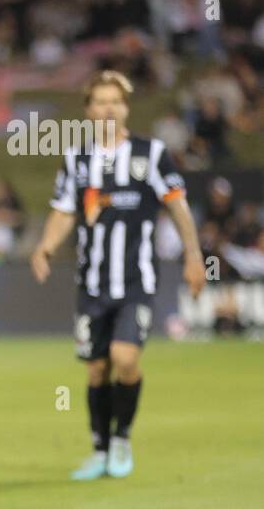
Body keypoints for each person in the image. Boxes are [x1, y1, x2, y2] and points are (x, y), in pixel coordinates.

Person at [31, 71, 205, 480]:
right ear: (89, 111)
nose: (109, 108)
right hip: (91, 283)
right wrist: (45, 246)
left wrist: (194, 254)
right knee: (96, 369)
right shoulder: (77, 160)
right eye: (101, 102)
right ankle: (99, 449)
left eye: (116, 101)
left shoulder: (152, 153)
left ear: (125, 108)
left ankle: (122, 438)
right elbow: (63, 211)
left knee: (125, 359)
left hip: (136, 280)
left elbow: (177, 206)